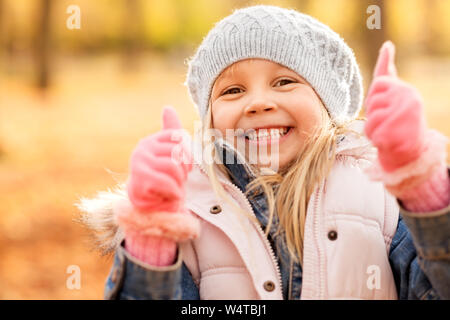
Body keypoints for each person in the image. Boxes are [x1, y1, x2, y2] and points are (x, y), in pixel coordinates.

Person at [77, 5, 449, 299]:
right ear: (209, 118)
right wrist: (152, 231)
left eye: (285, 82)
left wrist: (422, 185)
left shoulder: (379, 194)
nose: (257, 103)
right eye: (232, 91)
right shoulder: (187, 210)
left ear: (328, 104)